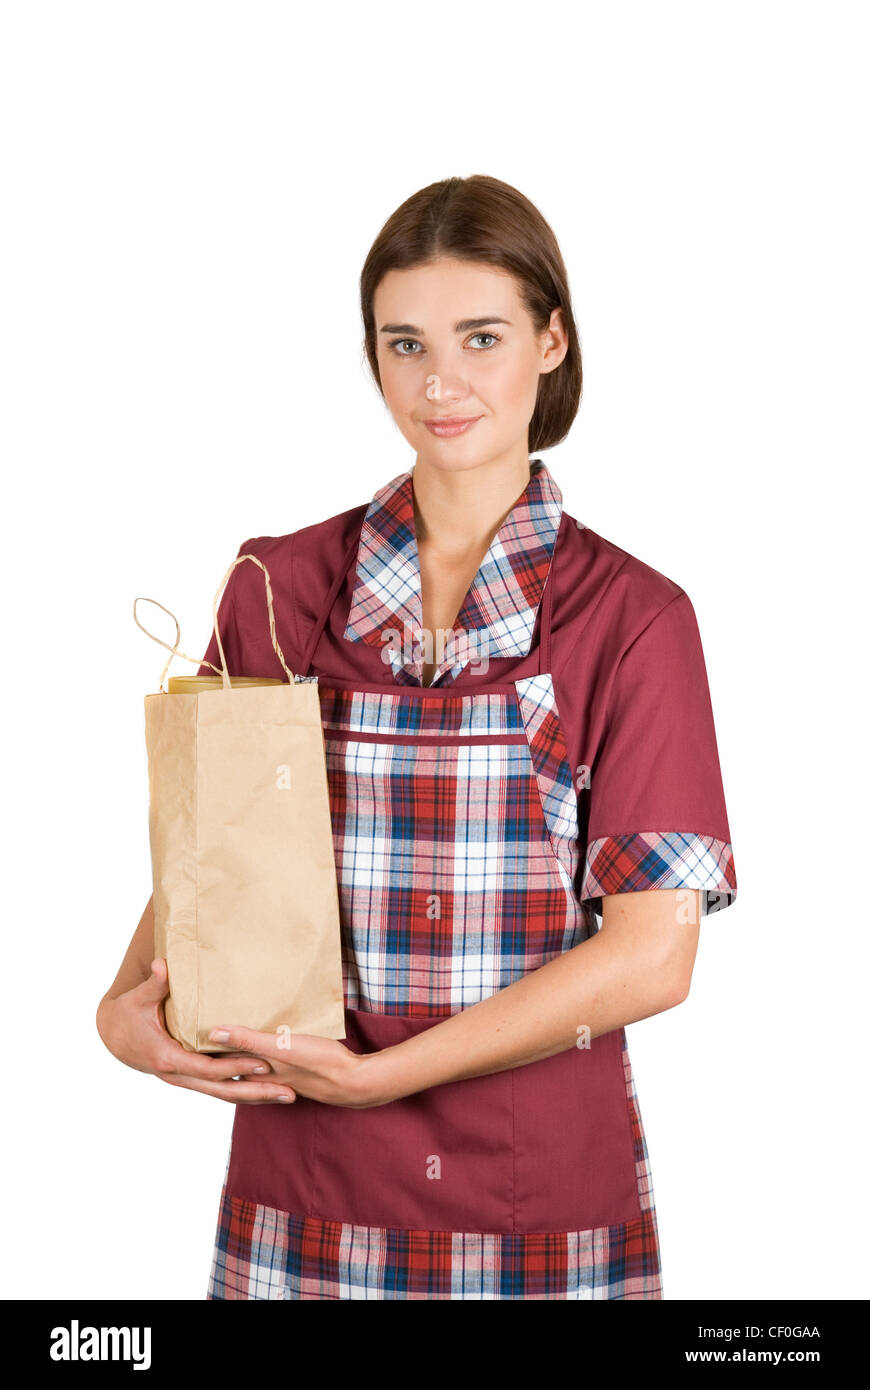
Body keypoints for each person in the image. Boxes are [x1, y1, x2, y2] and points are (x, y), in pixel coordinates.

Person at [97, 175, 737, 1300]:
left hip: (538, 1209)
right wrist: (121, 1006)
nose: (440, 383)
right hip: (304, 1190)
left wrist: (386, 1075)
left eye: (480, 338)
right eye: (405, 345)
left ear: (551, 341)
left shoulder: (633, 619)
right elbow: (215, 857)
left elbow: (654, 955)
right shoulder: (279, 585)